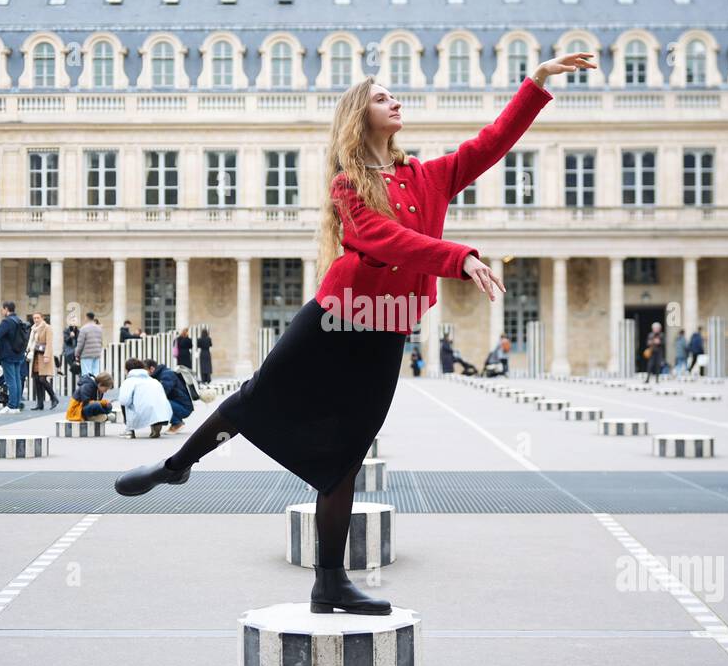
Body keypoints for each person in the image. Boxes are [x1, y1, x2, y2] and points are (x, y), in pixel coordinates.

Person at [113, 50, 592, 615]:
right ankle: (177, 466)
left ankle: (329, 583)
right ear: (360, 117)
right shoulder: (348, 186)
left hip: (386, 329)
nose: (396, 101)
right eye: (383, 97)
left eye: (394, 95)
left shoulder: (427, 176)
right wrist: (458, 258)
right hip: (337, 313)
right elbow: (382, 240)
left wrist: (535, 82)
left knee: (346, 455)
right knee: (255, 396)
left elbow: (492, 142)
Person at [0, 301, 30, 413]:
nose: (2, 311)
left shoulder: (7, 321)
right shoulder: (18, 320)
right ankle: (15, 406)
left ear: (6, 309)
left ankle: (11, 406)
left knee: (11, 380)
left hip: (7, 354)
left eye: (2, 309)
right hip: (18, 354)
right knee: (17, 380)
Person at [117, 359, 171, 438]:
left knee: (124, 403)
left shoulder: (128, 382)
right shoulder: (154, 381)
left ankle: (129, 430)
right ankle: (155, 424)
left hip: (139, 414)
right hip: (161, 414)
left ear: (127, 370)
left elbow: (124, 401)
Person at [144, 358, 195, 433]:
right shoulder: (159, 375)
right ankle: (176, 422)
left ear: (151, 369)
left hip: (184, 407)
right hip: (177, 404)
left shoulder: (167, 375)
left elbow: (163, 393)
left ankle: (177, 423)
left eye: (144, 370)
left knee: (158, 402)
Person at [27, 311, 59, 410]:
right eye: (34, 318)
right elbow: (32, 342)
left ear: (42, 318)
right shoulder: (33, 329)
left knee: (42, 379)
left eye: (38, 318)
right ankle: (40, 404)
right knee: (36, 380)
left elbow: (49, 343)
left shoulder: (47, 328)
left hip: (44, 356)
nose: (36, 320)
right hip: (35, 356)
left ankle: (53, 397)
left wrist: (47, 356)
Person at [78, 312, 104, 377]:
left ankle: (88, 387)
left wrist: (77, 353)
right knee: (96, 373)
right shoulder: (99, 329)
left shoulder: (83, 329)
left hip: (86, 354)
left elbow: (80, 343)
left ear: (86, 317)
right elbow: (101, 341)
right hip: (96, 354)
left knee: (86, 374)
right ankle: (95, 386)